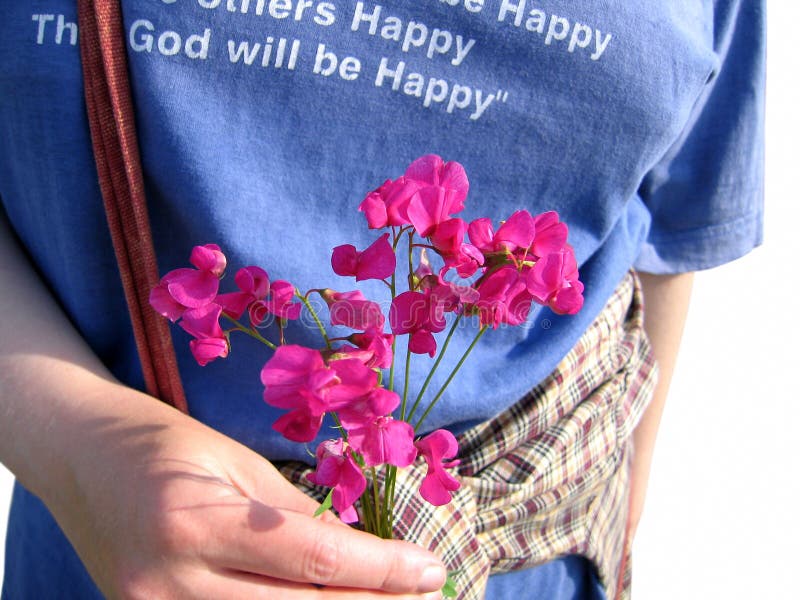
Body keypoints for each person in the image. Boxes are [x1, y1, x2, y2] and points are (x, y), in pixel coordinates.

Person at [0, 0, 764, 598]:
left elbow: (673, 219)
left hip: (542, 555)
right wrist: (79, 441)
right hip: (129, 552)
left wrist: (624, 514)